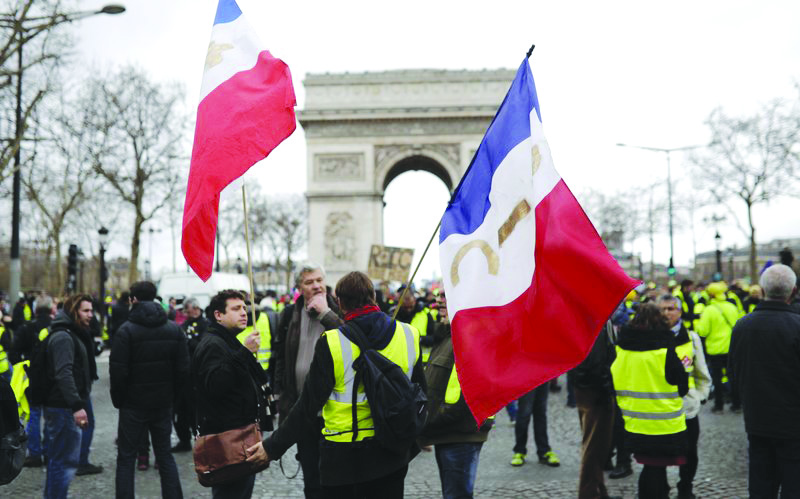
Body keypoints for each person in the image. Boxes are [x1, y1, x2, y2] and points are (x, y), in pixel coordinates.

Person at [248, 271, 425, 498]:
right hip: (391, 453)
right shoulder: (409, 334)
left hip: (344, 456)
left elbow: (308, 406)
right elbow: (421, 395)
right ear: (372, 296)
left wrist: (272, 448)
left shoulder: (333, 341)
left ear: (339, 302)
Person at [110, 281, 188, 499]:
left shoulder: (125, 331)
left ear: (132, 300)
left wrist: (120, 401)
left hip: (133, 405)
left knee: (126, 458)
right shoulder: (174, 329)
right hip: (163, 403)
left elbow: (118, 373)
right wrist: (174, 398)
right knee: (165, 456)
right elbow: (183, 371)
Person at [729, 264, 800, 498]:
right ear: (793, 291)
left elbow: (734, 372)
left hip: (757, 418)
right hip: (793, 423)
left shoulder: (742, 325)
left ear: (761, 289)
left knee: (761, 483)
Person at [273, 263, 343, 499]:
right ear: (299, 288)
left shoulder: (338, 309)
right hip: (302, 408)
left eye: (319, 280)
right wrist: (280, 391)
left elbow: (349, 339)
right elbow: (280, 356)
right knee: (311, 476)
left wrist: (326, 313)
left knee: (334, 476)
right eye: (309, 282)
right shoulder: (289, 315)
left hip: (334, 409)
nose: (316, 286)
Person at [193, 289, 267, 499]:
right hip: (228, 442)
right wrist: (244, 353)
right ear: (219, 315)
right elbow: (216, 386)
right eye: (236, 309)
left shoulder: (226, 340)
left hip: (238, 438)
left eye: (244, 308)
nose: (244, 313)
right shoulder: (213, 344)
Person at [418, 291, 492, 499]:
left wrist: (430, 421)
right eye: (439, 295)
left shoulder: (471, 337)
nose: (439, 300)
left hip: (460, 434)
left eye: (446, 294)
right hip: (447, 432)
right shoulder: (448, 336)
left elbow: (469, 399)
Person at [611, 303, 689, 499]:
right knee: (656, 469)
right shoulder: (665, 351)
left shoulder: (622, 349)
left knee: (651, 468)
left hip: (633, 422)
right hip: (664, 424)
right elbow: (682, 386)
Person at [657, 294, 711, 499]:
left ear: (679, 311)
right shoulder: (652, 337)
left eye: (671, 308)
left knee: (689, 453)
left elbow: (701, 373)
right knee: (659, 455)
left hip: (687, 408)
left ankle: (685, 487)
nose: (666, 313)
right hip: (660, 407)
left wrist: (700, 396)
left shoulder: (692, 337)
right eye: (662, 309)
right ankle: (661, 487)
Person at [43, 294, 94, 499]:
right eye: (85, 310)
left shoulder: (68, 332)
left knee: (59, 461)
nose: (91, 315)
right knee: (63, 463)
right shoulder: (64, 336)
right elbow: (63, 373)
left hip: (62, 405)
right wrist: (76, 405)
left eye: (91, 310)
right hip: (63, 407)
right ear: (74, 311)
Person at [568, 322, 619, 499]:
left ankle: (599, 491)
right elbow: (596, 363)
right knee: (594, 447)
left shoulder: (594, 320)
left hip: (588, 389)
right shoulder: (595, 322)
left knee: (596, 446)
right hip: (595, 392)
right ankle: (588, 493)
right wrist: (605, 391)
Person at [18, 295, 55, 468]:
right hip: (50, 377)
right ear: (51, 309)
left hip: (31, 376)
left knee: (33, 415)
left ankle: (34, 453)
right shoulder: (55, 328)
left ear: (35, 309)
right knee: (49, 416)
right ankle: (48, 452)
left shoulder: (27, 327)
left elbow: (14, 352)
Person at [695, 282, 741, 413]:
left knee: (717, 378)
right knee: (733, 377)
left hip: (715, 350)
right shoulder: (732, 307)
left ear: (712, 294)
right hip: (731, 348)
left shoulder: (709, 310)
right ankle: (736, 404)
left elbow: (702, 331)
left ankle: (719, 405)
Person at [171, 296, 208, 453]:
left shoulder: (205, 324)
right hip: (183, 374)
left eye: (188, 310)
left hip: (198, 374)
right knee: (181, 410)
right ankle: (184, 439)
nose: (185, 313)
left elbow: (203, 345)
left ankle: (200, 439)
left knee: (196, 410)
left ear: (195, 308)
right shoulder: (184, 324)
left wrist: (189, 341)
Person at [510, 385, 560, 468]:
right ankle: (519, 451)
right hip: (526, 378)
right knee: (524, 414)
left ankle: (544, 451)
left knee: (540, 414)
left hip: (543, 377)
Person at [391, 285, 435, 364]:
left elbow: (434, 337)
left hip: (421, 361)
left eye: (411, 306)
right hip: (399, 361)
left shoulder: (426, 313)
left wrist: (419, 339)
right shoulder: (393, 316)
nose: (408, 309)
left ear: (414, 300)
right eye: (405, 307)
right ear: (399, 303)